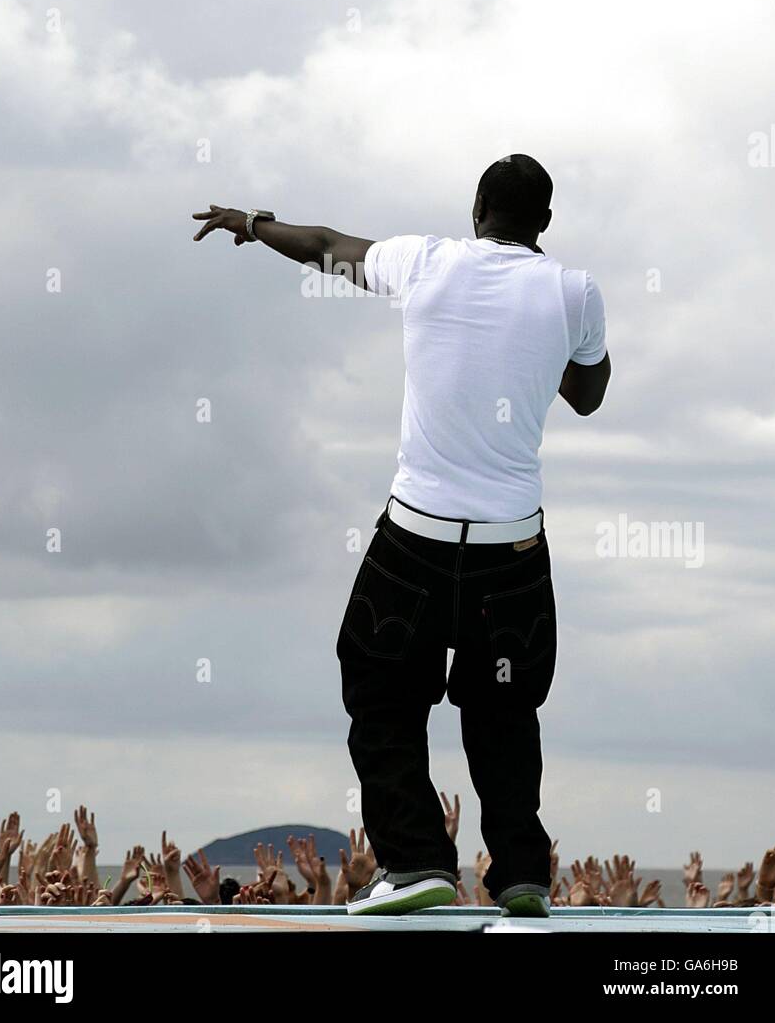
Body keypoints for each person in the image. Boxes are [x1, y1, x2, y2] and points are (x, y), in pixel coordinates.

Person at [192, 153, 610, 917]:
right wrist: (536, 347)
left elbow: (326, 245)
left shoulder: (426, 262)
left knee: (380, 686)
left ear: (475, 209)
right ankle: (522, 872)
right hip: (512, 550)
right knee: (504, 709)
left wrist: (252, 223)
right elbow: (588, 395)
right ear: (545, 222)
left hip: (415, 540)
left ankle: (415, 860)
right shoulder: (574, 292)